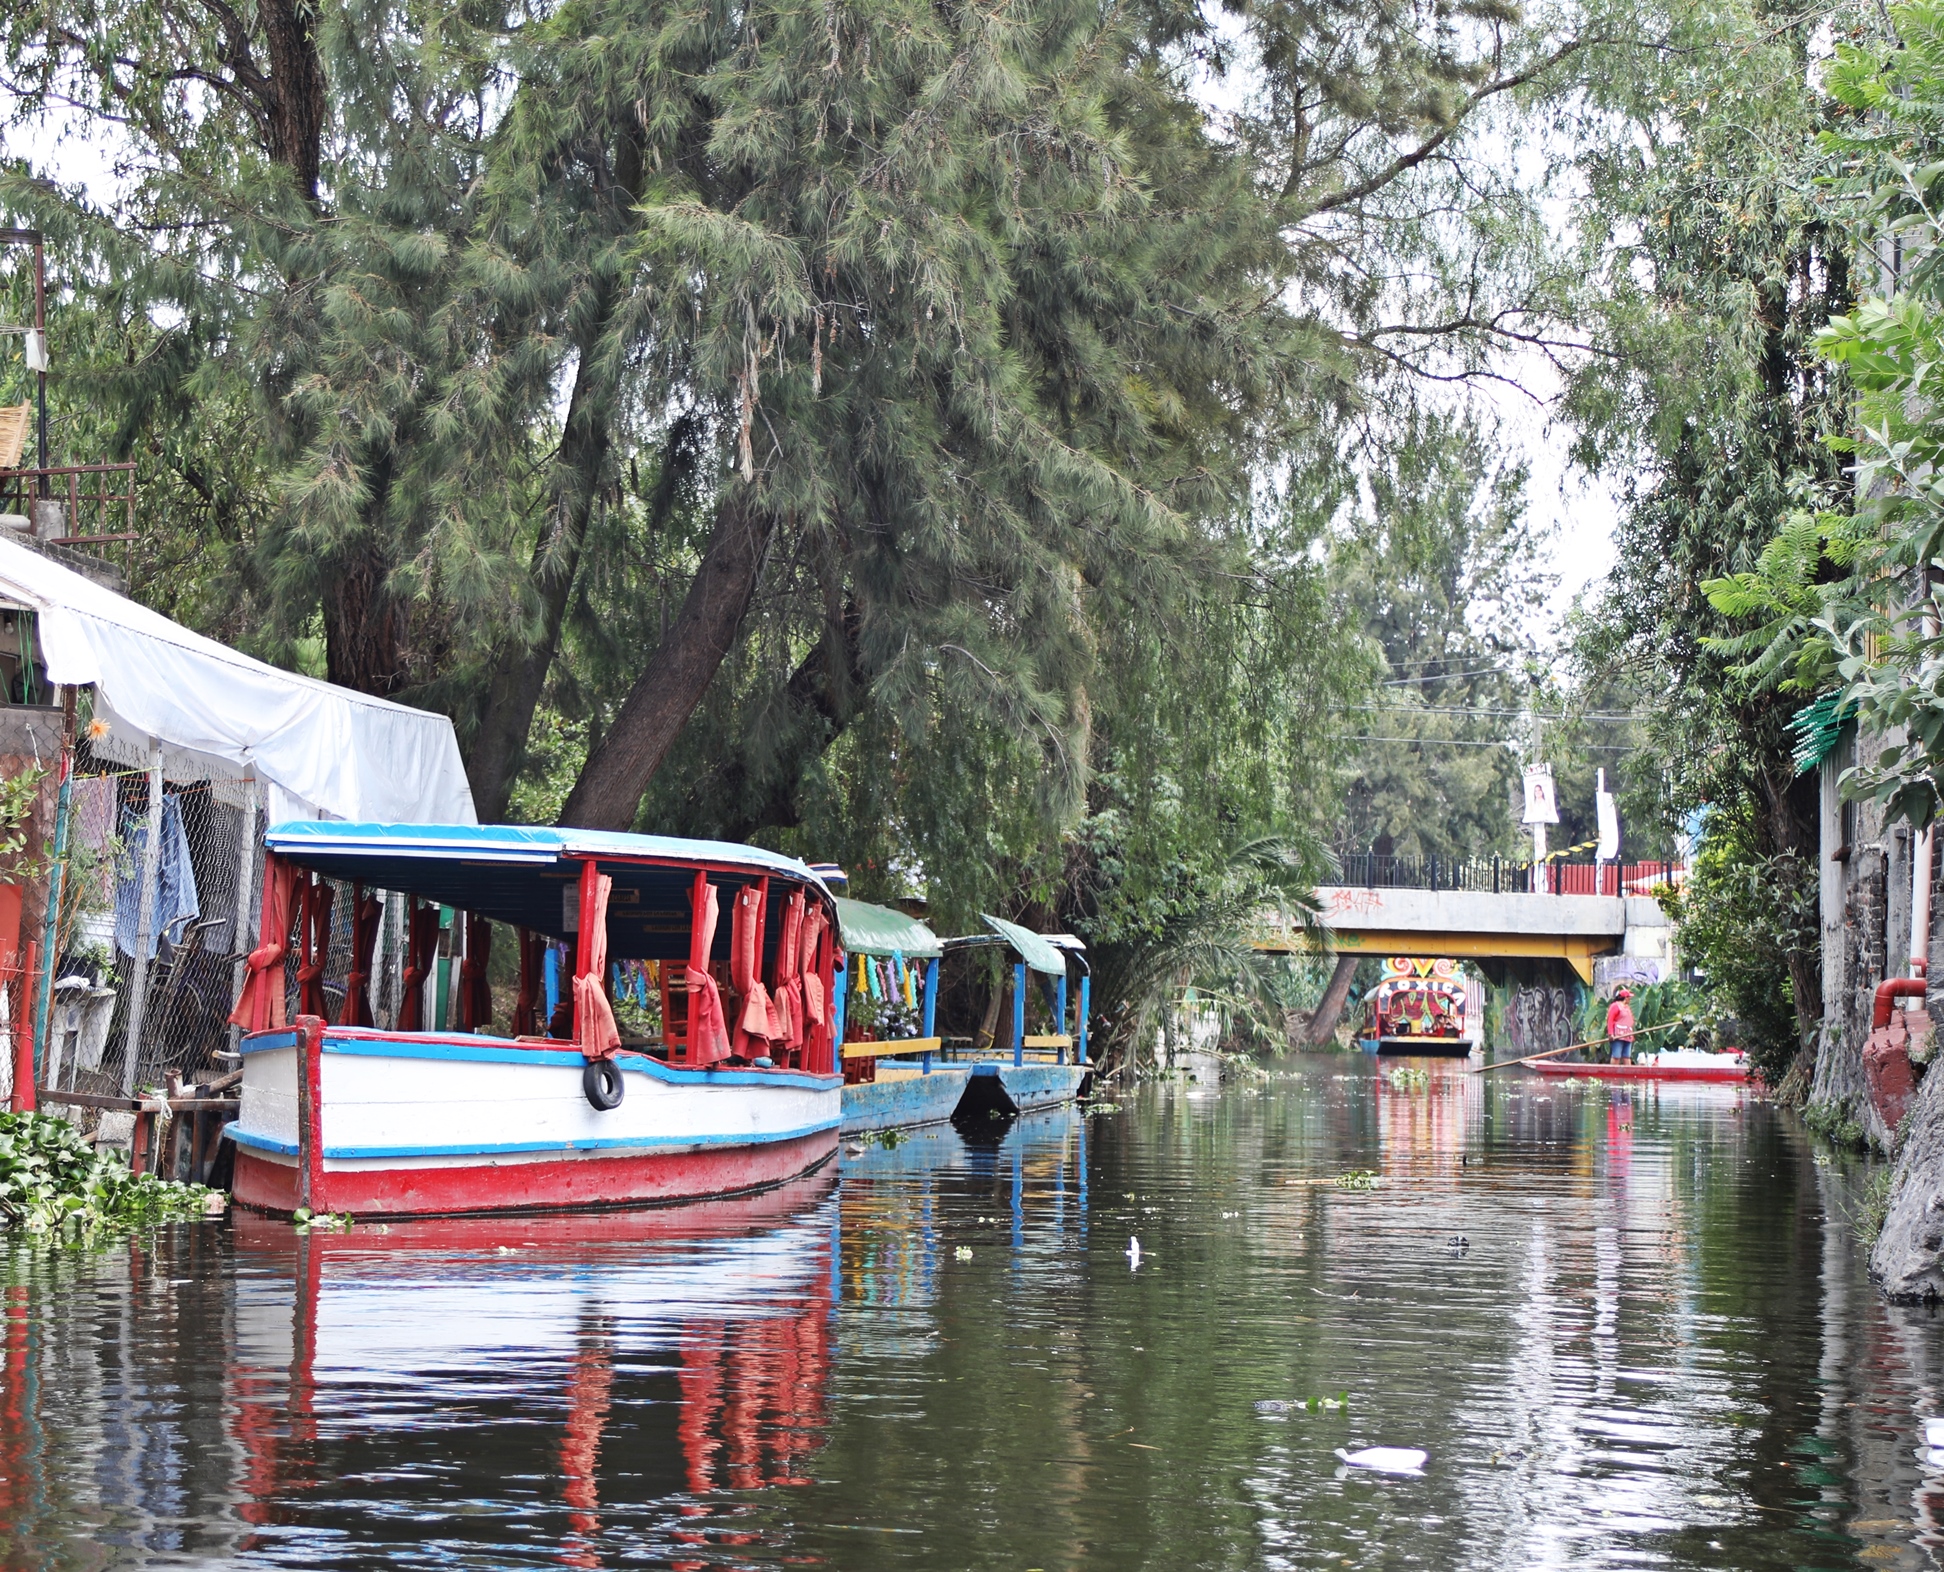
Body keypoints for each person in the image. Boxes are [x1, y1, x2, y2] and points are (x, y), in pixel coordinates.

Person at [1605, 988, 1636, 1063]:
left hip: (1627, 1034)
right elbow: (1610, 1020)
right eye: (1629, 998)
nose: (1630, 999)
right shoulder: (1615, 1006)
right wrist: (1611, 1034)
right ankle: (1613, 1073)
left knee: (1627, 1056)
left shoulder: (1627, 1007)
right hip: (1618, 1035)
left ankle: (1628, 1074)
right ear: (1626, 998)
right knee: (1616, 1055)